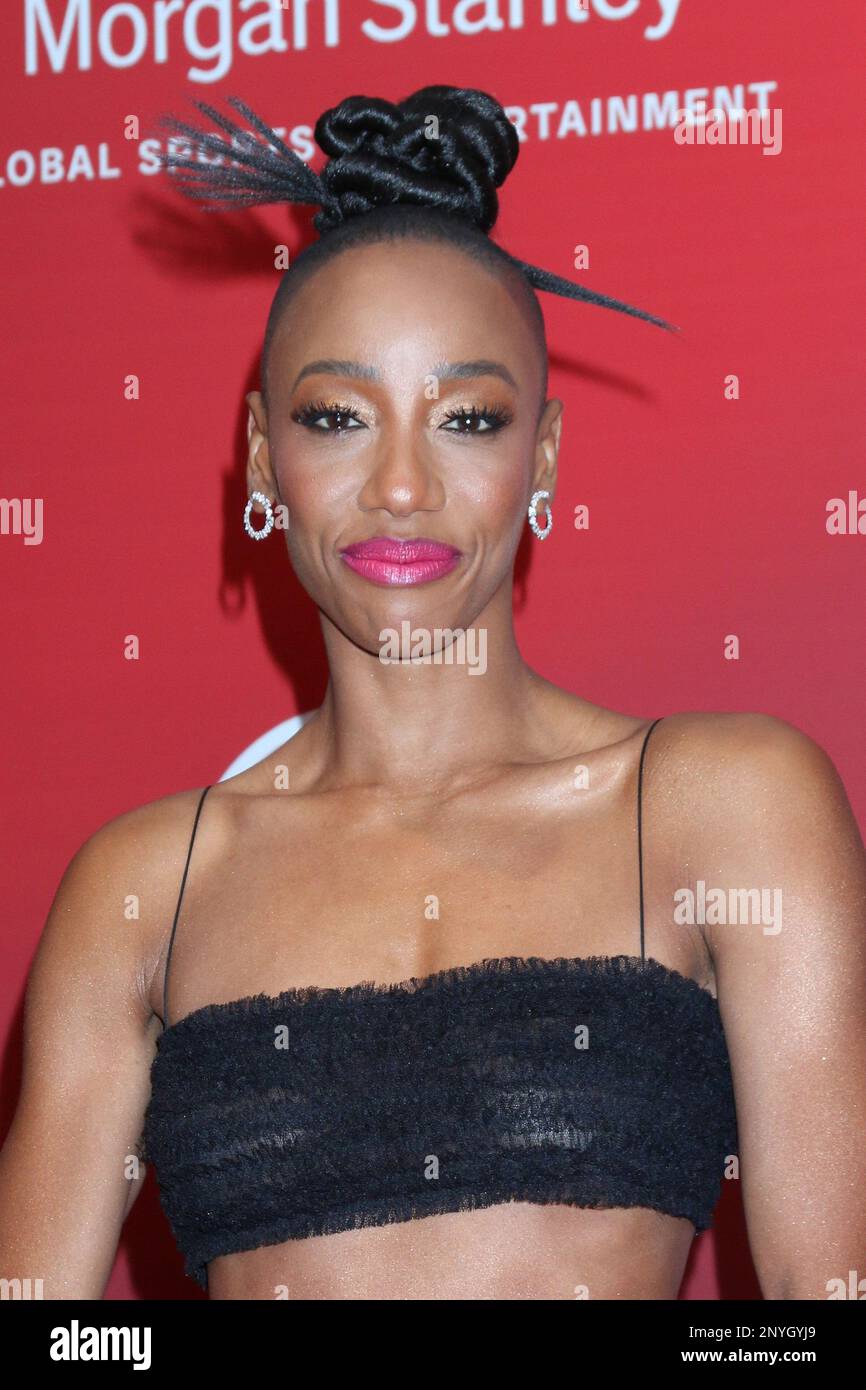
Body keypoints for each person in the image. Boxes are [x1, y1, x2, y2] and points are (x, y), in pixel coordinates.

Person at [1, 87, 863, 1302]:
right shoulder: (146, 886)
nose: (400, 486)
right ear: (261, 455)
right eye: (337, 416)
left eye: (465, 417)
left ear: (543, 458)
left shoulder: (721, 805)